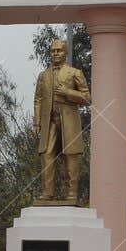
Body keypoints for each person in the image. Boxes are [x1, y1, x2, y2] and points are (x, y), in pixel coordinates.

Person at [32, 38, 90, 204]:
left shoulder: (74, 73)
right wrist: (36, 123)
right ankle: (47, 193)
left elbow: (87, 98)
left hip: (68, 120)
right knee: (46, 154)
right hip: (49, 121)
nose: (55, 53)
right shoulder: (43, 75)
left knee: (70, 155)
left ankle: (72, 193)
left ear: (65, 53)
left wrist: (68, 92)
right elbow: (38, 99)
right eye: (53, 51)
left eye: (59, 51)